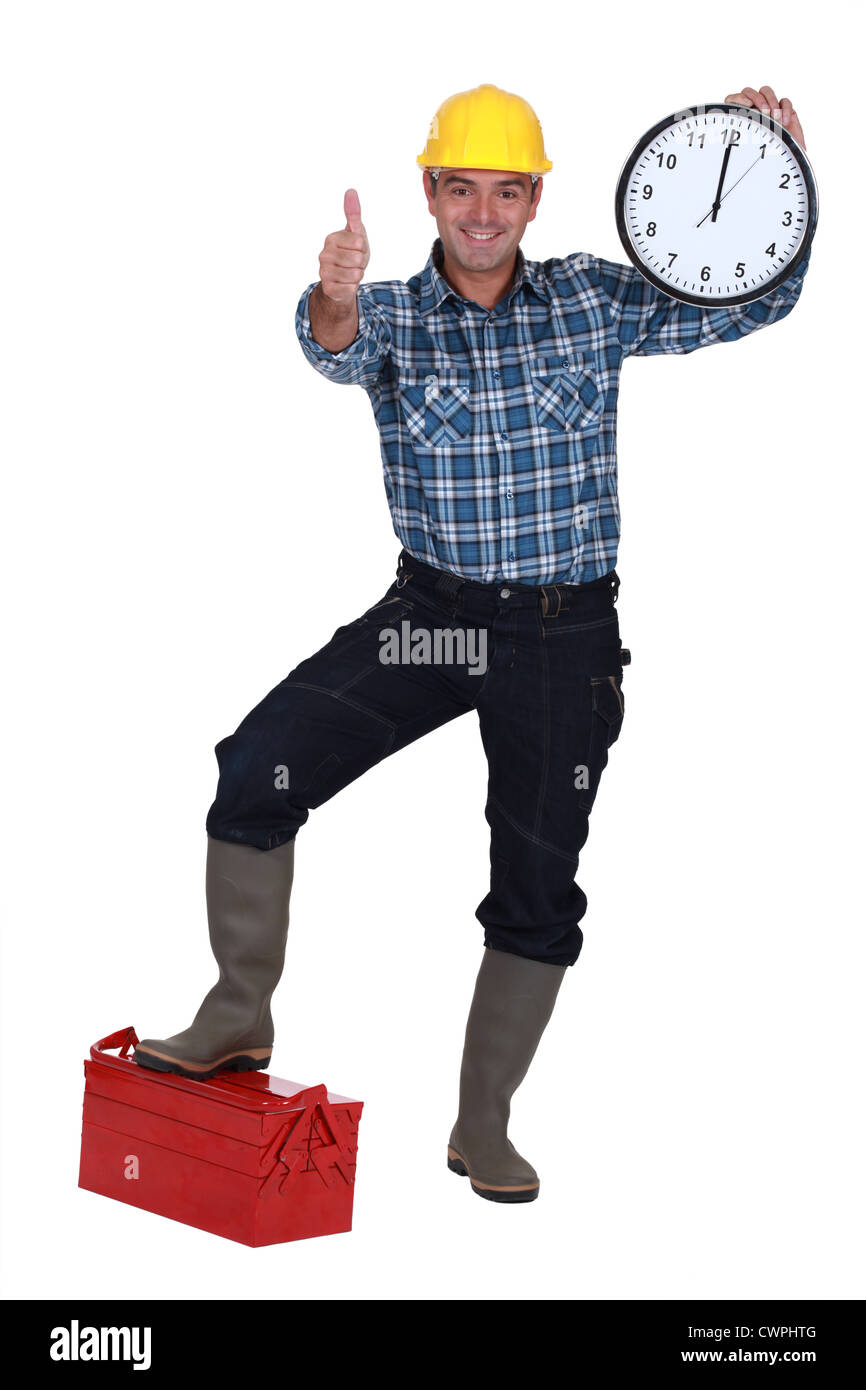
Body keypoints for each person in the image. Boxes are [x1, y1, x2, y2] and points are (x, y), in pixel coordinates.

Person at [134, 82, 811, 1204]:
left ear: (535, 199)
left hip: (558, 640)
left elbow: (749, 306)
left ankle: (480, 1125)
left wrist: (780, 171)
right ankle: (234, 1016)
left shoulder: (595, 298)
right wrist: (334, 293)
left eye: (506, 190)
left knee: (535, 889)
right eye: (461, 188)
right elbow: (332, 345)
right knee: (258, 769)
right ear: (429, 192)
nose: (482, 212)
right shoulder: (391, 312)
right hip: (432, 629)